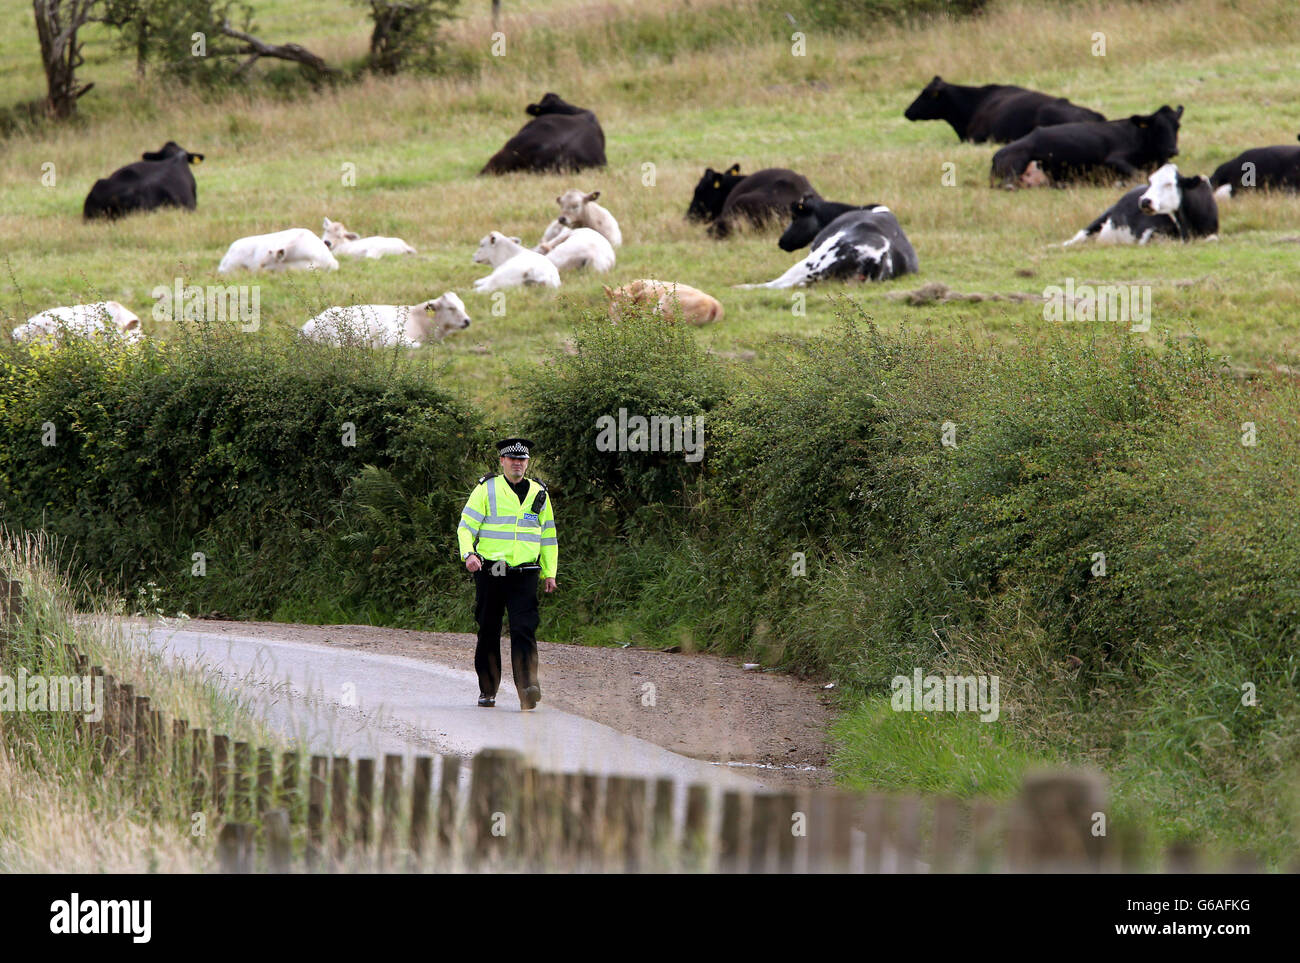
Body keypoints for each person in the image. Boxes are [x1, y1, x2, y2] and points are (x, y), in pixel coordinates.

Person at [456, 438, 558, 710]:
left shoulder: (539, 493)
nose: (517, 463)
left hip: (525, 573)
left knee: (524, 629)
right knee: (489, 629)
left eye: (522, 459)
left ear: (527, 462)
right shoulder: (486, 489)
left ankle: (527, 688)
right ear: (502, 461)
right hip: (491, 571)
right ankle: (488, 689)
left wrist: (550, 572)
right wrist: (469, 554)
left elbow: (548, 536)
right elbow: (465, 527)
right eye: (512, 458)